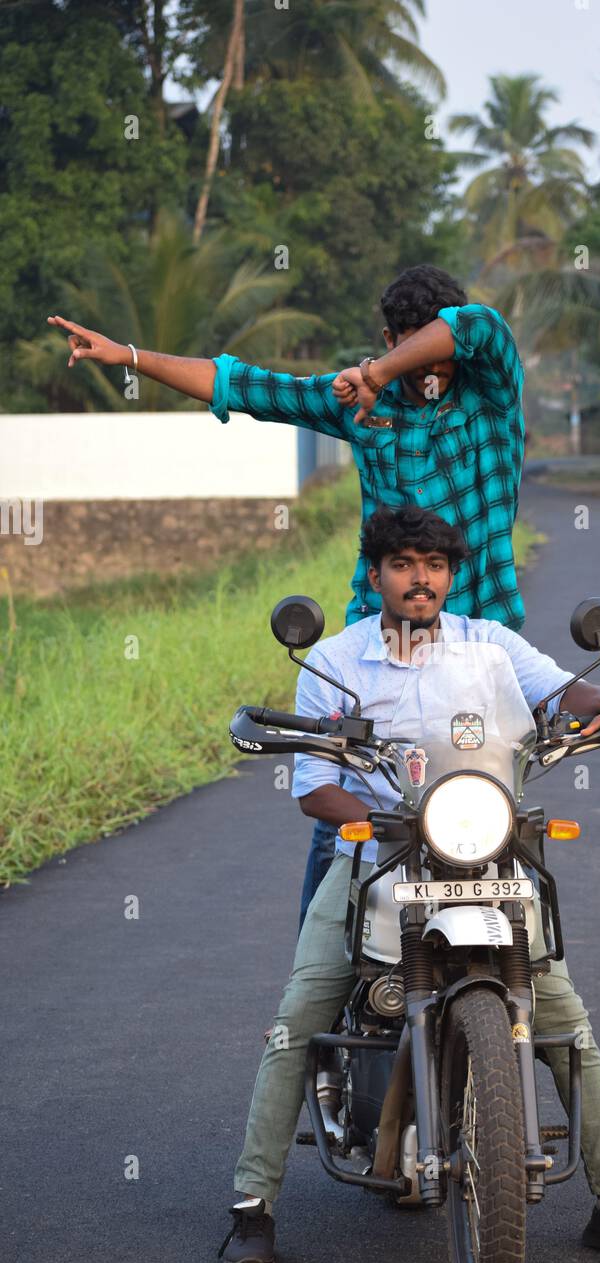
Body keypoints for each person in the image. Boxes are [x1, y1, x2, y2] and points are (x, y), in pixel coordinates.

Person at [217, 504, 600, 1263]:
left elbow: (565, 694)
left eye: (432, 565)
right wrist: (387, 823)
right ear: (376, 575)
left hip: (487, 856)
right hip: (380, 858)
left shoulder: (489, 648)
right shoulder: (334, 662)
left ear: (451, 576)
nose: (418, 578)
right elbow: (316, 788)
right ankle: (252, 1206)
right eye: (401, 564)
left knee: (564, 1019)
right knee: (301, 1014)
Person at [47, 264, 528, 931]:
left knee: (494, 824)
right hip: (376, 651)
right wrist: (127, 355)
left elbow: (475, 326)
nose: (427, 374)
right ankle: (319, 987)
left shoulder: (492, 395)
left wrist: (380, 371)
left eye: (435, 358)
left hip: (478, 650)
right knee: (348, 817)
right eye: (405, 351)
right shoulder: (361, 404)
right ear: (388, 336)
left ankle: (523, 1000)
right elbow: (242, 385)